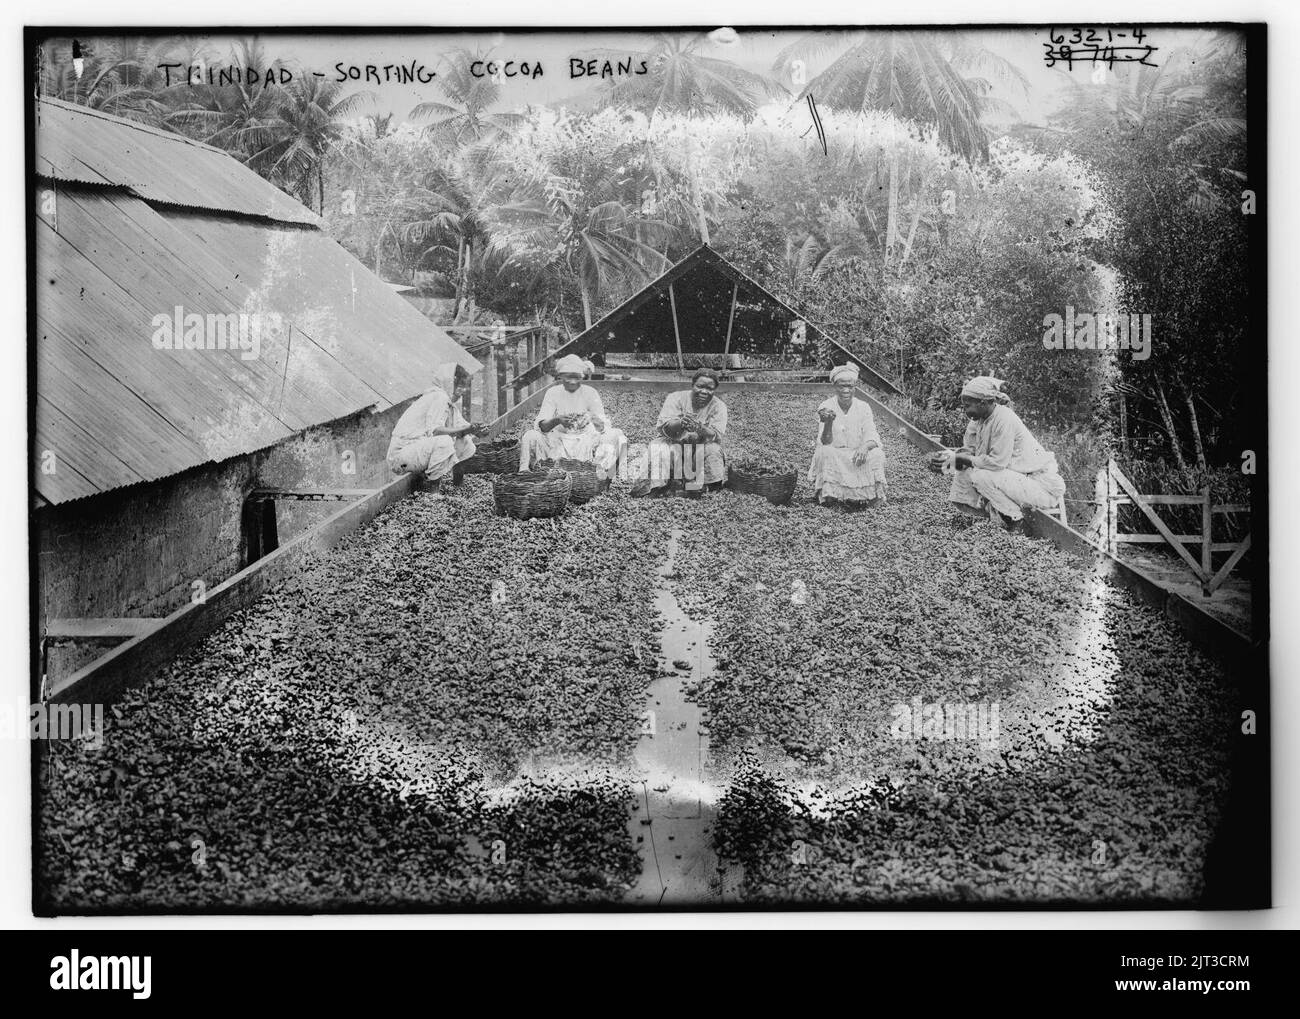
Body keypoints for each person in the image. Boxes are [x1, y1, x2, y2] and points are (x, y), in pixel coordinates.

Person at [942, 375, 1066, 532]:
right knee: (964, 471)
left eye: (968, 406)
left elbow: (997, 463)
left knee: (981, 476)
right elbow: (969, 448)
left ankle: (1016, 522)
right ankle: (983, 517)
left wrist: (963, 459)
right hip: (1014, 481)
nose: (966, 411)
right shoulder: (979, 419)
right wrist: (953, 459)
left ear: (983, 402)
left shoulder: (1004, 418)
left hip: (1039, 486)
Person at [519, 354, 626, 477]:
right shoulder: (553, 393)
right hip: (557, 442)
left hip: (586, 441)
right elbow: (541, 426)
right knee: (529, 436)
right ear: (561, 377)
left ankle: (608, 474)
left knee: (618, 435)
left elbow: (603, 427)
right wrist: (557, 420)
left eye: (576, 377)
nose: (572, 381)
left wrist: (590, 417)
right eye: (568, 378)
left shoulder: (590, 393)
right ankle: (523, 473)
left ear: (582, 376)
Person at [387, 363, 488, 488]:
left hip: (417, 451)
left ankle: (458, 485)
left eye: (464, 386)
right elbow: (435, 431)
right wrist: (467, 429)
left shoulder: (448, 404)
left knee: (466, 442)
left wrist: (476, 429)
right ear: (450, 383)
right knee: (444, 441)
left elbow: (462, 427)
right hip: (401, 454)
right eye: (460, 386)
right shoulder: (438, 397)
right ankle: (432, 494)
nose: (462, 391)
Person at [634, 368, 728, 497]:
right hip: (674, 445)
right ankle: (657, 487)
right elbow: (666, 427)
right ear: (692, 385)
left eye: (709, 388)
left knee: (713, 449)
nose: (704, 392)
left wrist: (700, 428)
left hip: (699, 449)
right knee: (658, 446)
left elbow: (715, 435)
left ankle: (706, 486)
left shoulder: (719, 406)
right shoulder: (676, 398)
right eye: (700, 386)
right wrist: (681, 423)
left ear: (714, 390)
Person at [809, 363, 887, 507]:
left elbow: (872, 433)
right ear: (835, 387)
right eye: (841, 386)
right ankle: (831, 495)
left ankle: (867, 496)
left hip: (857, 454)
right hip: (836, 453)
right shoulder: (826, 406)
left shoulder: (863, 407)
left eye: (850, 387)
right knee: (824, 452)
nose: (846, 390)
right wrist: (828, 423)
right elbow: (825, 441)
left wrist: (865, 447)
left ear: (854, 388)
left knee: (877, 454)